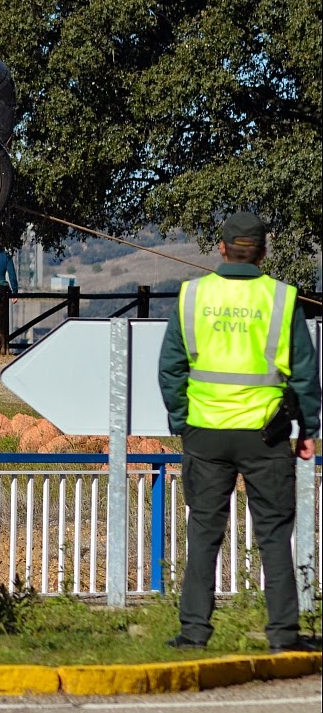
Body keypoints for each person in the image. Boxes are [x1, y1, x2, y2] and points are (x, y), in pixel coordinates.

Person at [157, 211, 321, 654]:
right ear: (263, 252)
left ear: (222, 248)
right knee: (274, 534)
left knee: (203, 533)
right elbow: (304, 372)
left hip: (205, 432)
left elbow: (170, 368)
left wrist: (182, 422)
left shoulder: (193, 295)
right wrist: (308, 428)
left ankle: (194, 632)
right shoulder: (281, 298)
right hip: (265, 435)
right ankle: (283, 634)